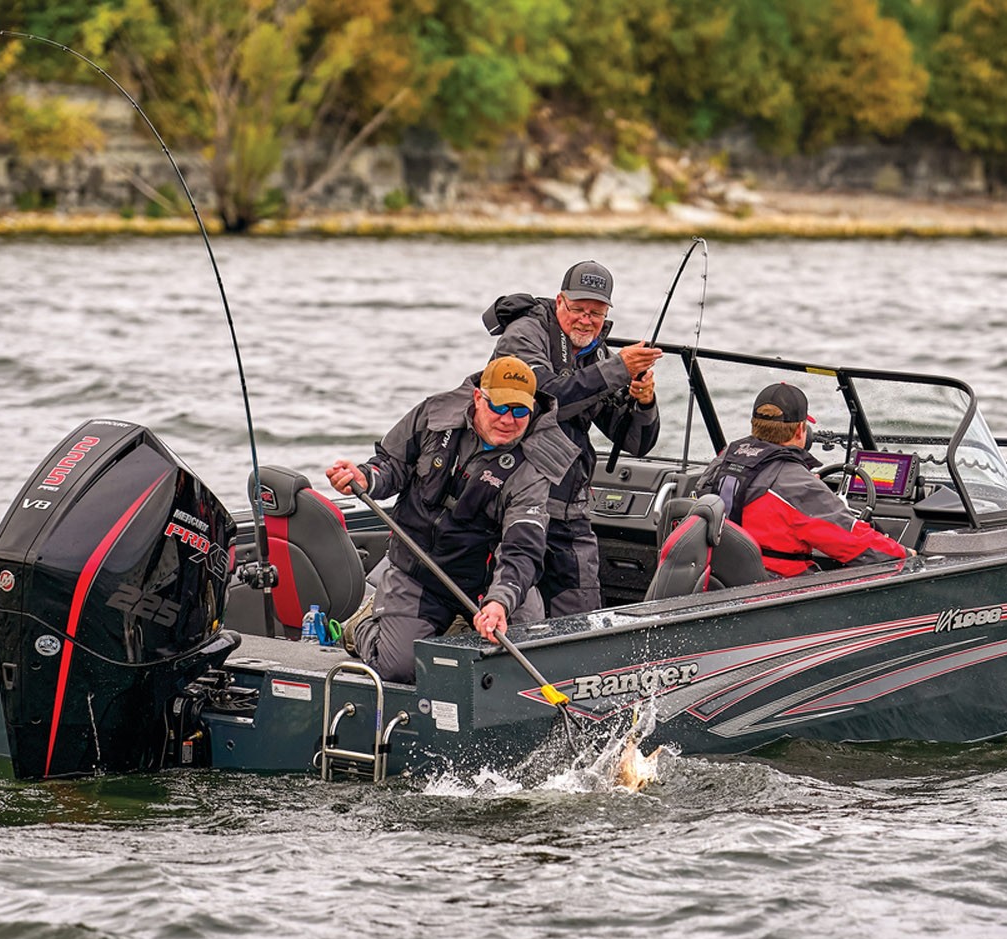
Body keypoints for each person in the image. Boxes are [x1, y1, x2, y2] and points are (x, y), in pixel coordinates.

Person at [325, 356, 574, 684]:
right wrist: (365, 476)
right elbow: (391, 463)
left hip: (489, 583)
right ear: (478, 398)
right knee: (398, 668)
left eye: (519, 411)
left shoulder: (535, 463)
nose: (508, 419)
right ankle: (363, 625)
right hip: (420, 573)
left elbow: (522, 546)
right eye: (499, 407)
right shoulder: (434, 414)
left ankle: (464, 622)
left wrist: (500, 602)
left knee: (524, 665)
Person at [483, 260, 662, 616]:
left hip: (570, 504)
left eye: (596, 312)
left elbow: (635, 442)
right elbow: (546, 397)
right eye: (578, 309)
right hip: (515, 497)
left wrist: (643, 401)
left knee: (580, 614)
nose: (586, 319)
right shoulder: (525, 334)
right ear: (559, 301)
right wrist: (616, 370)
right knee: (519, 610)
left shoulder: (598, 352)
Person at [694, 383, 910, 578]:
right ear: (801, 429)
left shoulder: (725, 458)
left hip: (721, 577)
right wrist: (906, 553)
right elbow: (855, 543)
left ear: (754, 425)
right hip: (777, 589)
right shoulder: (798, 484)